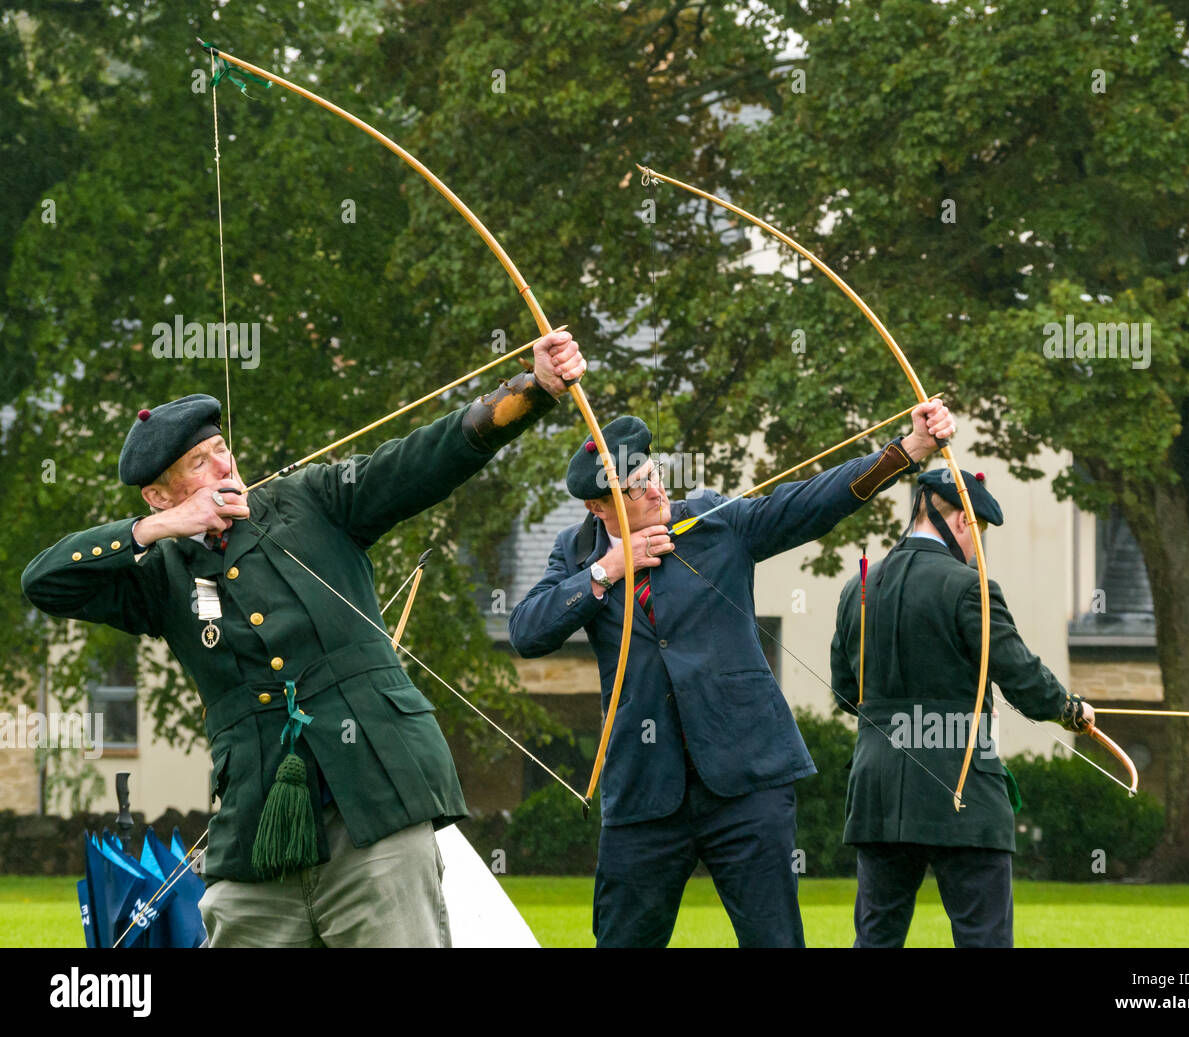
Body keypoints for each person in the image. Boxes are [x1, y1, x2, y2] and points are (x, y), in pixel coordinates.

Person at [22, 331, 587, 947]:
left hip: (377, 806)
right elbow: (45, 582)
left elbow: (426, 459)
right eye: (198, 463)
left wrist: (534, 390)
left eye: (221, 449)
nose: (223, 466)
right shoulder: (158, 576)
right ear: (159, 494)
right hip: (258, 834)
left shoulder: (312, 501)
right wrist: (158, 528)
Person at [509, 400, 954, 947]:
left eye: (652, 474)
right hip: (644, 790)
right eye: (635, 488)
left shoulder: (715, 522)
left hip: (746, 778)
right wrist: (609, 569)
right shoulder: (578, 553)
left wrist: (906, 452)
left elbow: (809, 502)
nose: (655, 491)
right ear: (599, 506)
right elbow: (527, 632)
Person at [829, 468, 1095, 948]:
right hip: (960, 786)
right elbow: (1023, 679)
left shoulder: (857, 589)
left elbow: (846, 692)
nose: (978, 546)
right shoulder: (970, 586)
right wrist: (1071, 709)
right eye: (979, 534)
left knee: (876, 939)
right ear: (959, 524)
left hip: (878, 789)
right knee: (983, 938)